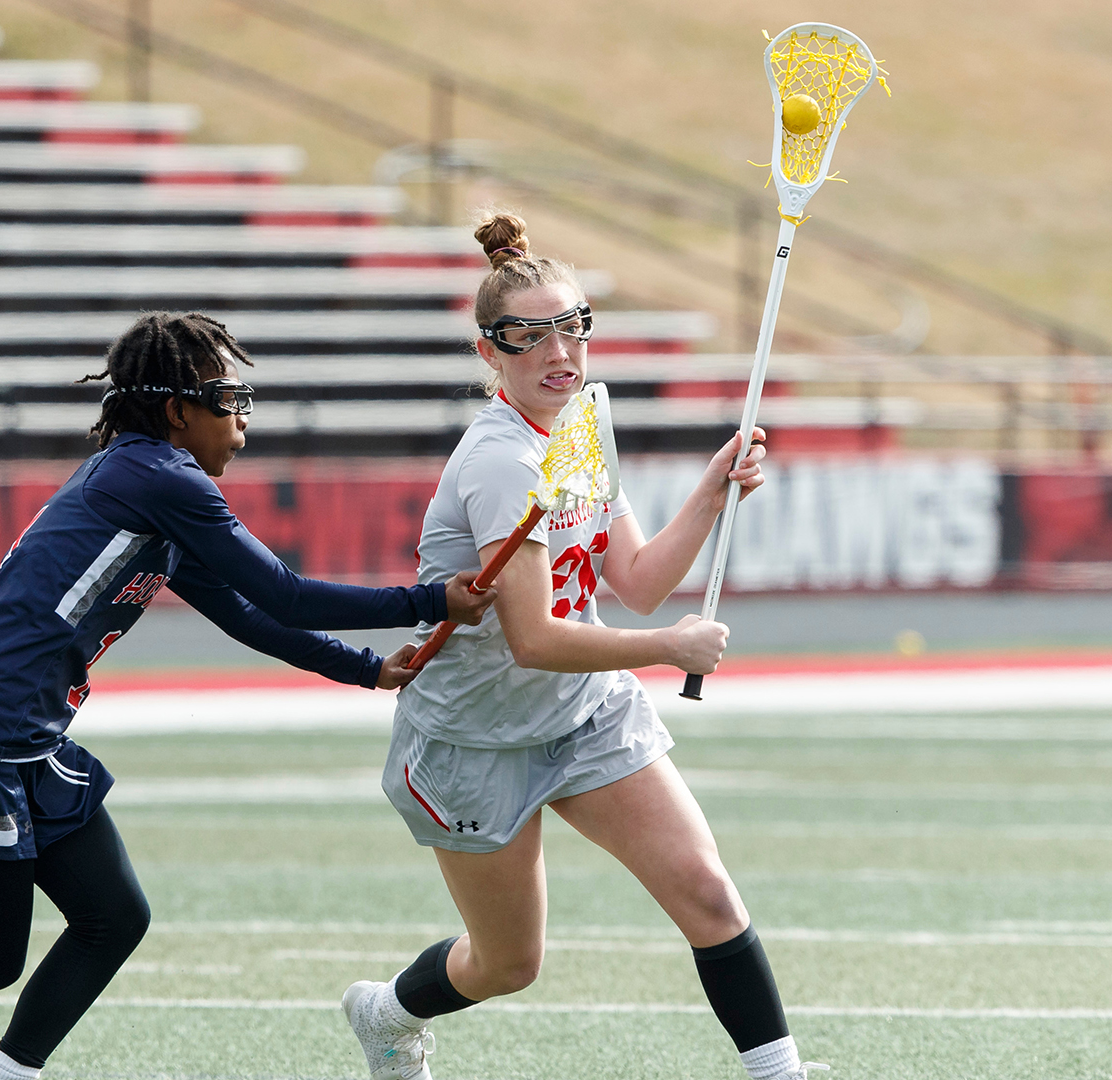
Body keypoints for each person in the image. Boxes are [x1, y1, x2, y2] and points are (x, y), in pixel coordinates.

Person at [0, 311, 495, 1080]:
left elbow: (247, 615)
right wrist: (429, 600)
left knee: (112, 916)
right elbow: (285, 594)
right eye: (228, 400)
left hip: (15, 730)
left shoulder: (149, 482)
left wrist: (364, 668)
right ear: (177, 411)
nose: (242, 420)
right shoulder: (159, 478)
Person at [338, 212, 818, 1080]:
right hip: (474, 735)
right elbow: (532, 640)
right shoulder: (501, 463)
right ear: (490, 353)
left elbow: (634, 581)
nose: (559, 352)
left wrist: (711, 494)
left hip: (587, 712)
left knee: (709, 895)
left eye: (573, 326)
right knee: (507, 965)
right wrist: (666, 647)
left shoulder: (585, 419)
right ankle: (387, 1014)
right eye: (529, 336)